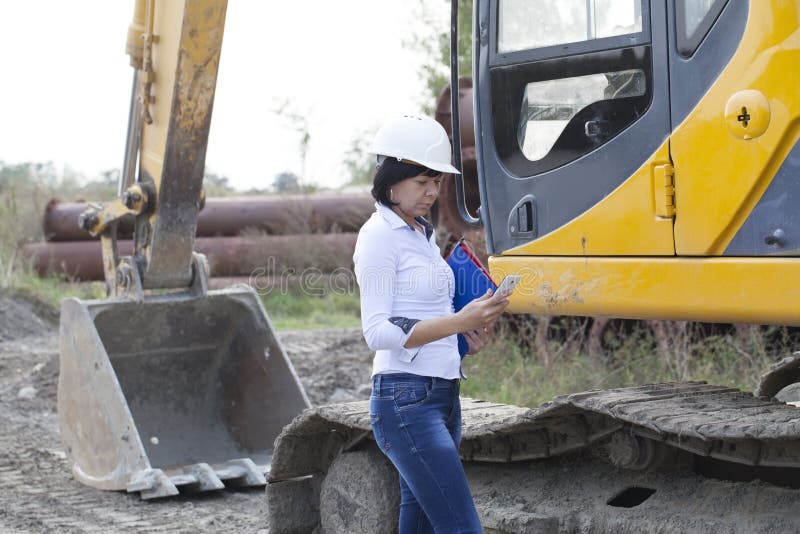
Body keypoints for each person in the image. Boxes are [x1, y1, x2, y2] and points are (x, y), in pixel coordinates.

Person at [353, 115, 510, 533]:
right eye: (422, 180)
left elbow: (432, 318)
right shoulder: (379, 236)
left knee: (420, 522)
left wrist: (466, 335)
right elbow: (378, 331)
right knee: (462, 527)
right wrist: (458, 320)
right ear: (392, 180)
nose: (432, 191)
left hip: (443, 393)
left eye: (437, 181)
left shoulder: (420, 234)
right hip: (406, 400)